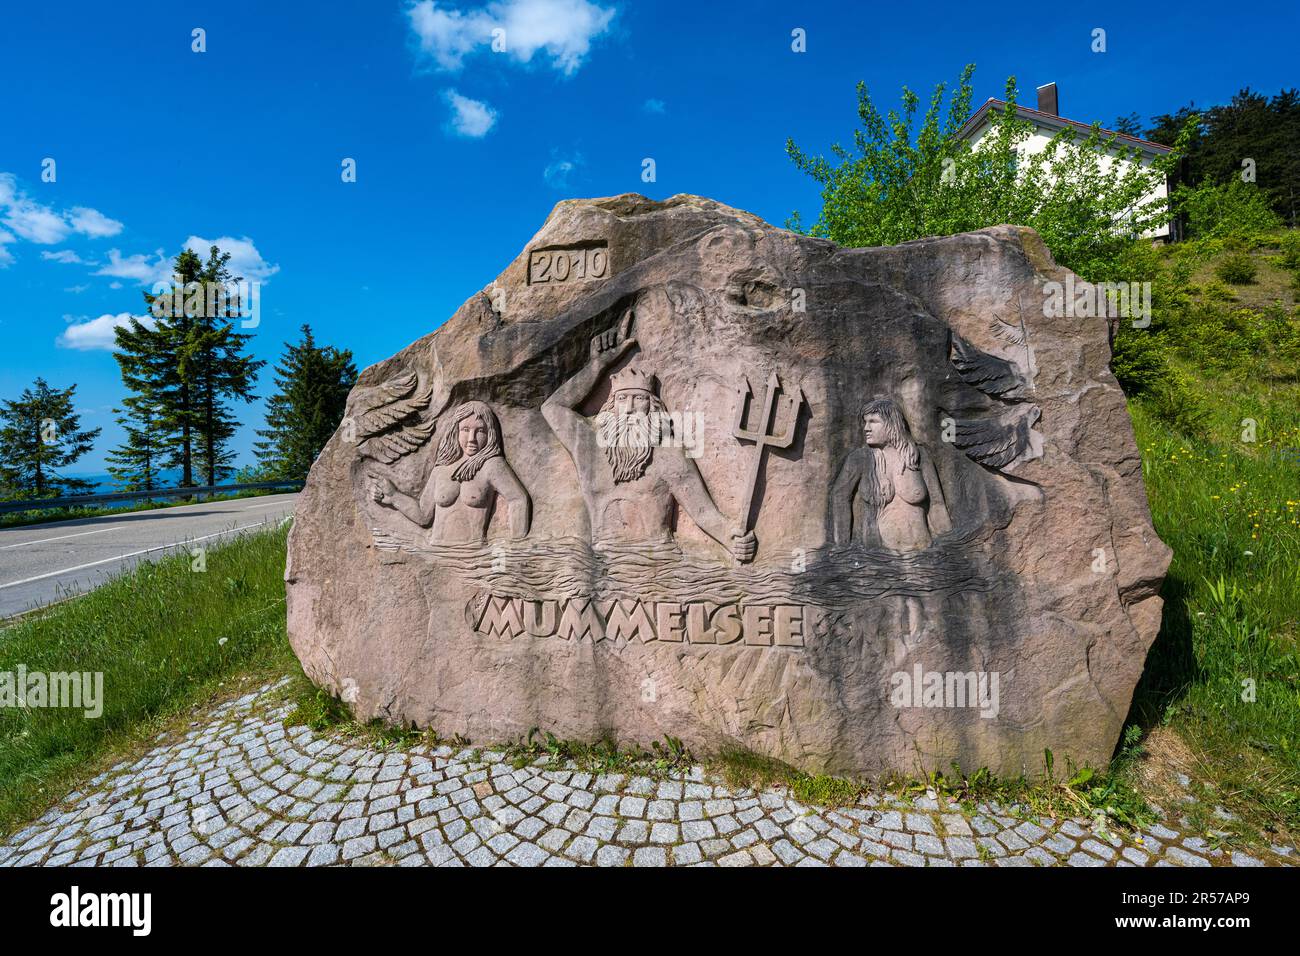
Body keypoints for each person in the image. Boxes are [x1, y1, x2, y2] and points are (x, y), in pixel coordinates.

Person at [542, 309, 756, 562]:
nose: (631, 408)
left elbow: (704, 513)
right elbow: (552, 408)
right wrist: (598, 365)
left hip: (657, 566)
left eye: (639, 400)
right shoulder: (589, 445)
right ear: (610, 406)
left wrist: (734, 540)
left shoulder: (668, 454)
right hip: (603, 567)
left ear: (653, 407)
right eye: (622, 399)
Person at [370, 400, 530, 544]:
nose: (471, 438)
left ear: (490, 434)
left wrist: (517, 543)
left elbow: (518, 499)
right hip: (437, 551)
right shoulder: (441, 469)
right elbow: (423, 515)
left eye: (480, 431)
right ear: (456, 431)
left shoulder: (492, 466)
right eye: (465, 429)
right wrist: (393, 497)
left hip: (474, 555)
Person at [832, 398, 950, 552]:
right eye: (865, 422)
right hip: (877, 557)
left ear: (891, 424)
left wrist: (947, 543)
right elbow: (840, 497)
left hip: (923, 553)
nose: (866, 428)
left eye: (873, 421)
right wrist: (842, 546)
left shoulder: (919, 456)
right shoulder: (859, 459)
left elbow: (937, 504)